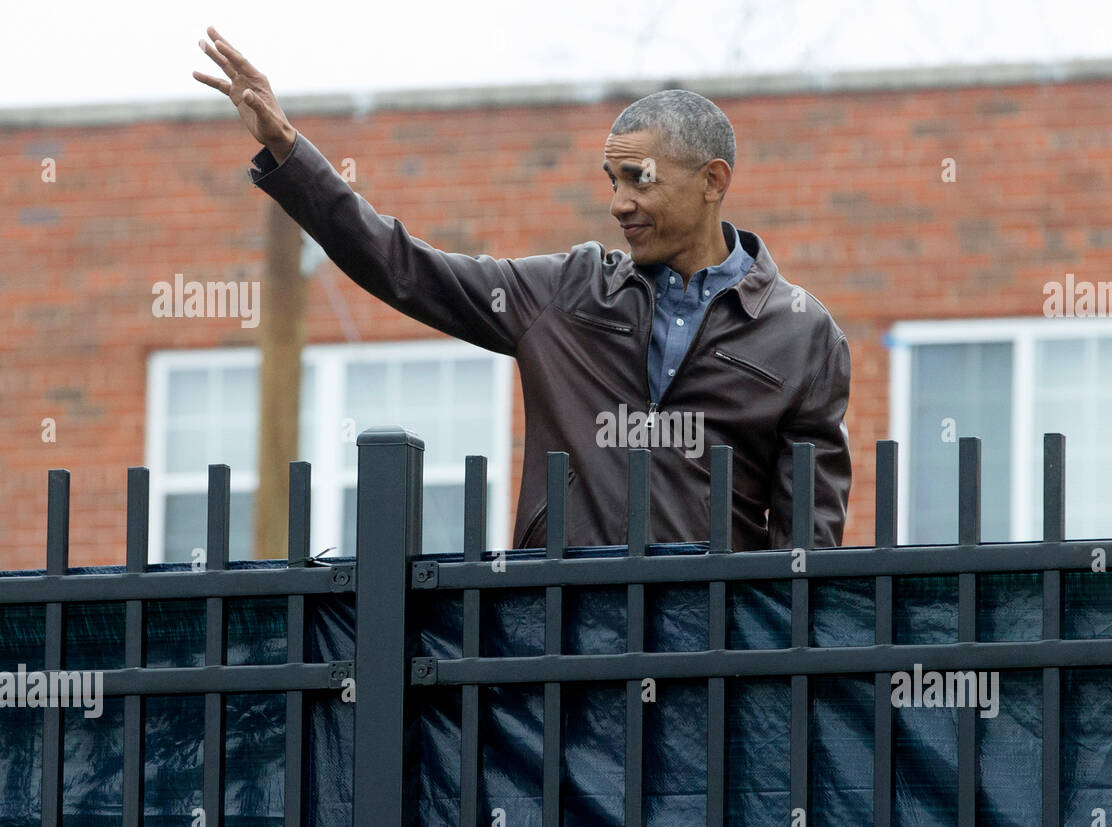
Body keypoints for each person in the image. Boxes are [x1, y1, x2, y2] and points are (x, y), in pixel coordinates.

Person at [194, 26, 852, 551]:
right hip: (561, 645)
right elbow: (404, 267)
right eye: (611, 180)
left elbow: (805, 553)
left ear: (713, 181)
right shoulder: (566, 292)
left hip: (710, 658)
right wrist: (289, 152)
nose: (619, 203)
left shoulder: (801, 334)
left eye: (639, 179)